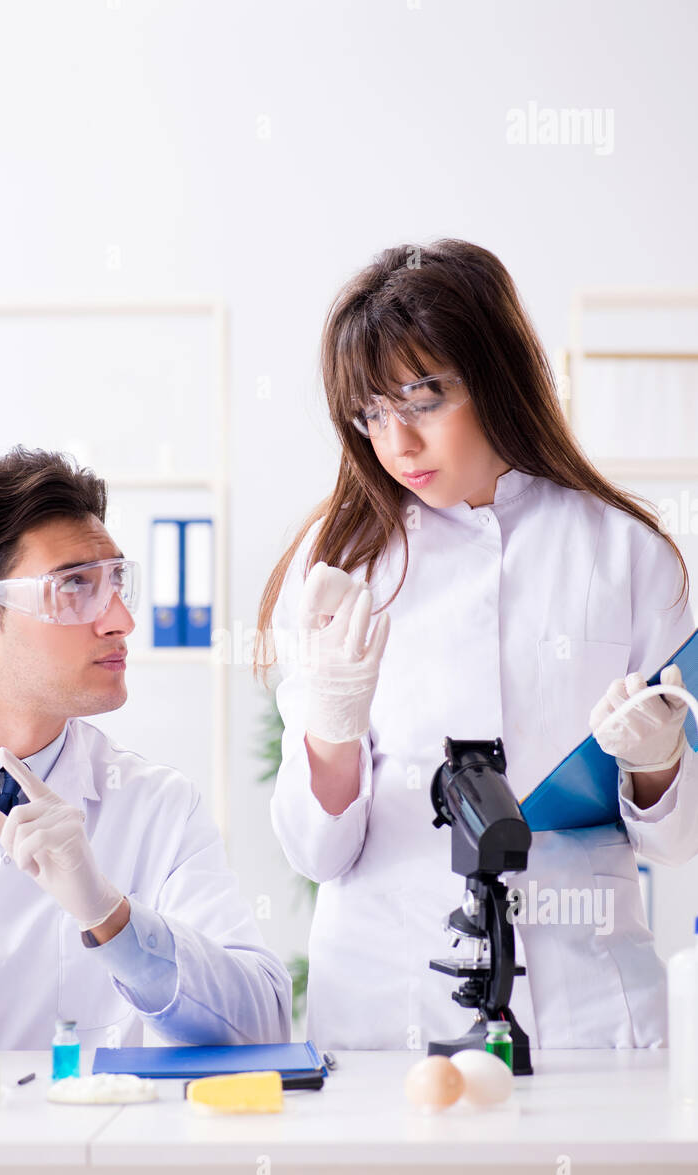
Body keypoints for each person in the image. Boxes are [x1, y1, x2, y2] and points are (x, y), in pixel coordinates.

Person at [256, 238, 698, 1052]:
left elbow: (676, 845)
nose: (396, 445)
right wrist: (331, 722)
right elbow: (315, 851)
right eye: (370, 414)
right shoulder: (338, 563)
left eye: (421, 400)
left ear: (496, 373)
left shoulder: (627, 553)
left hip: (586, 1001)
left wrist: (658, 761)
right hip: (387, 990)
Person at [0, 447, 291, 1049]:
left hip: (73, 1146)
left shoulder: (158, 808)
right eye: (75, 586)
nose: (122, 619)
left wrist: (112, 918)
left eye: (116, 582)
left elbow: (263, 1027)